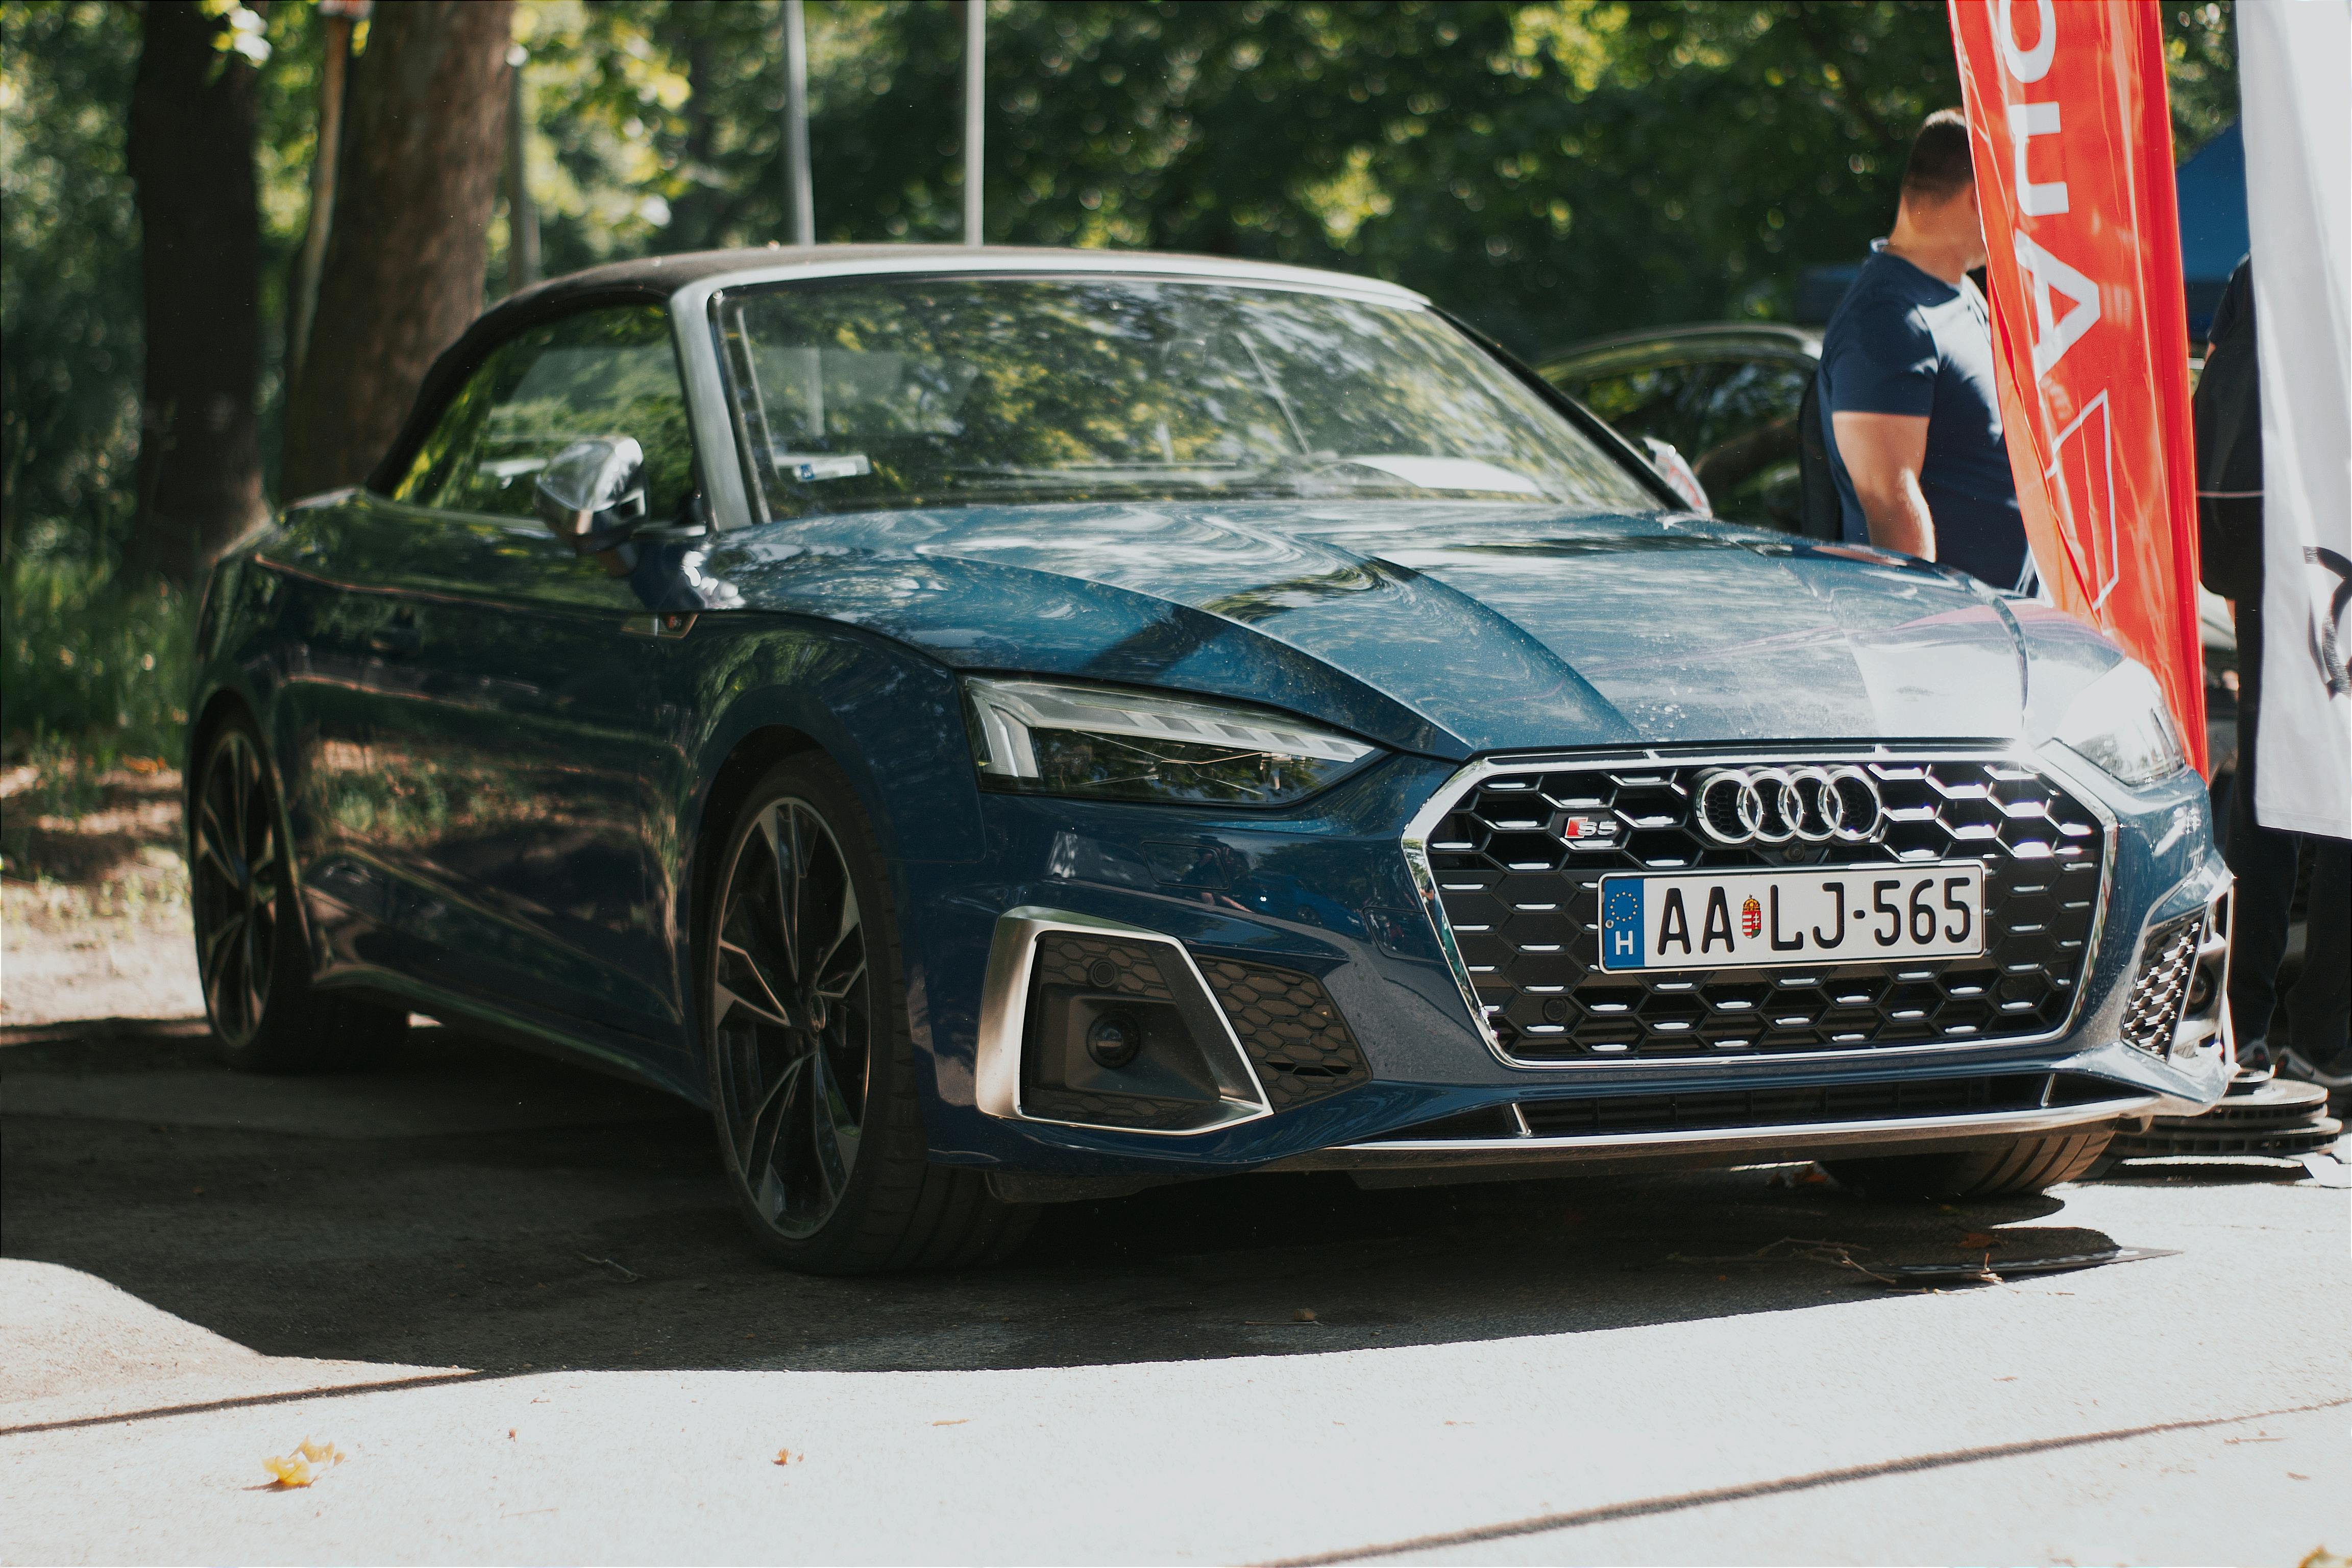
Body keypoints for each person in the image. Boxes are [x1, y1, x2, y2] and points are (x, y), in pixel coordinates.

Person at [2194, 256, 2351, 1091]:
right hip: (2335, 552)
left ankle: (2242, 1030)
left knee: (2266, 790)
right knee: (2341, 800)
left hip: (2266, 556)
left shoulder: (2266, 255)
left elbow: (2220, 383)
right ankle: (2324, 1039)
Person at [1817, 109, 2037, 594]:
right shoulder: (1886, 319)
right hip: (1951, 629)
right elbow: (1888, 503)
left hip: (2010, 621)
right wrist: (1925, 629)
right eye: (2013, 201)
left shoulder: (1960, 291)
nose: (2020, 222)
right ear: (1979, 198)